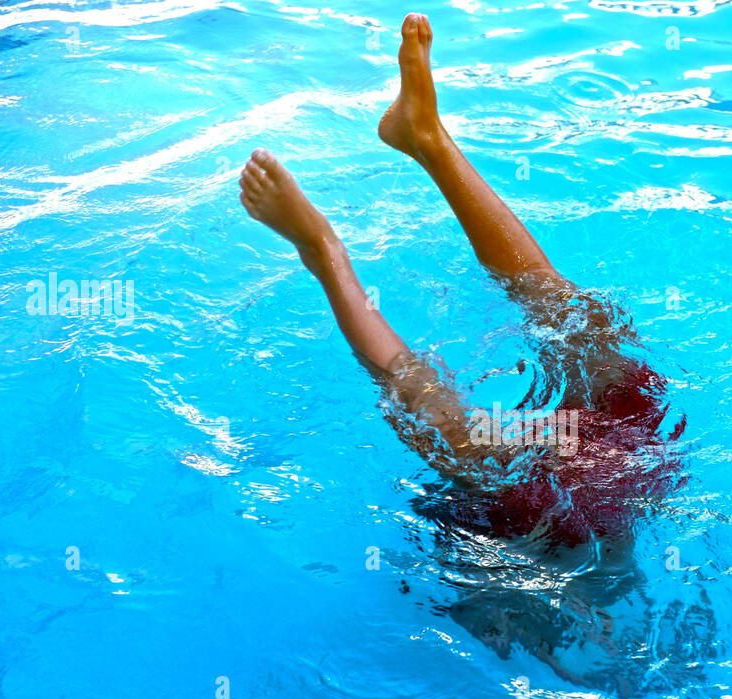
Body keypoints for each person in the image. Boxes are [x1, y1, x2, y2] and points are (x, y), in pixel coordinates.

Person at [238, 11, 685, 552]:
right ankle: (427, 137)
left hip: (526, 552)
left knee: (467, 442)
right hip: (608, 494)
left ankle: (324, 253)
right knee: (593, 334)